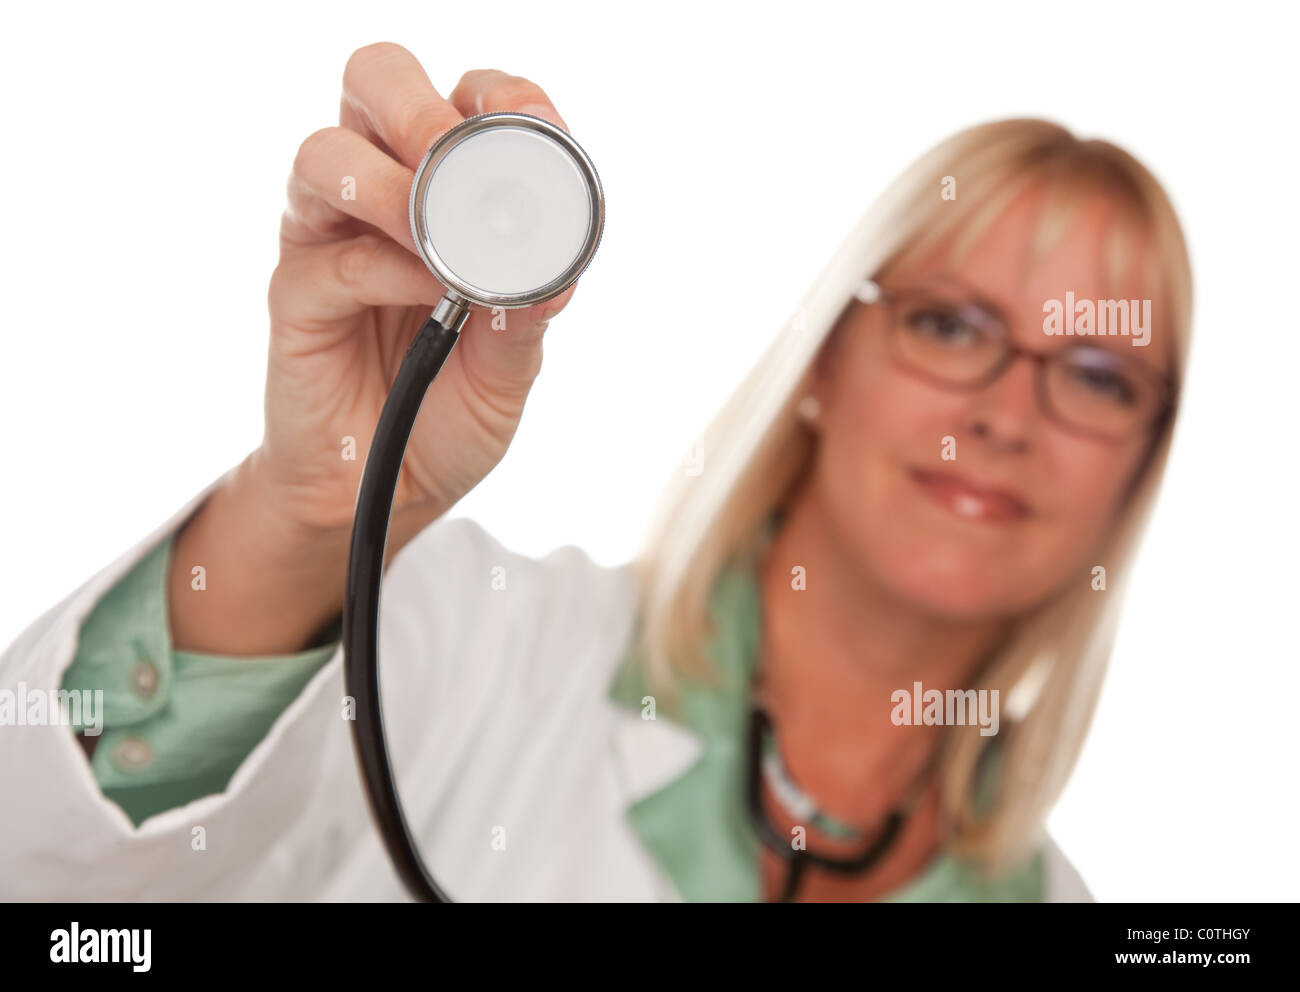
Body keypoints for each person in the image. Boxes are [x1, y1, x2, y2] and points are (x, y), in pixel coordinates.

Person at [0, 42, 1190, 902]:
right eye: (951, 326)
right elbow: (42, 875)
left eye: (1097, 373)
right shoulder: (451, 642)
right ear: (826, 362)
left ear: (1140, 461)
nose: (1006, 413)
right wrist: (313, 517)